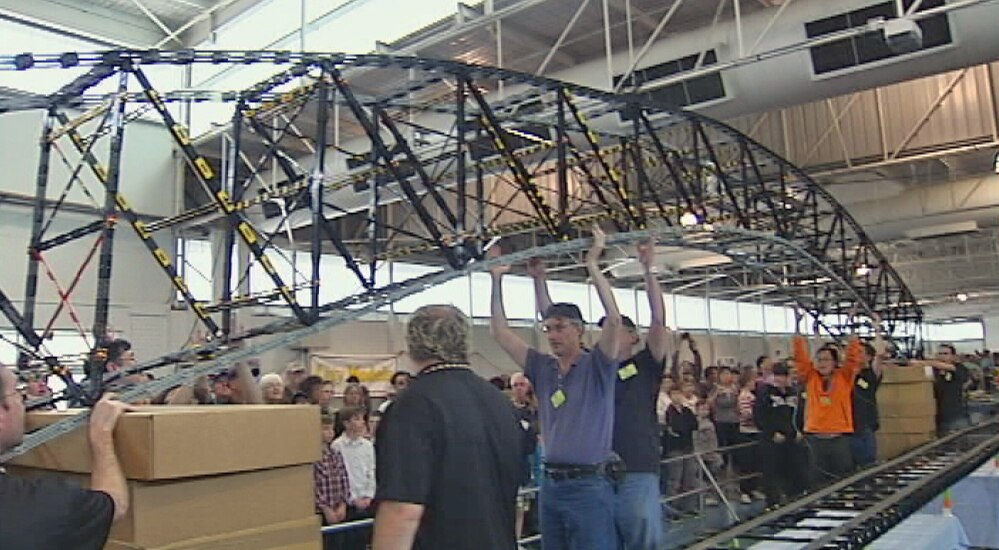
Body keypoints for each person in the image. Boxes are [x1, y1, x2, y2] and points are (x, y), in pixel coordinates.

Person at [527, 239, 670, 550]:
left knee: (642, 538)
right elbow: (553, 320)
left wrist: (648, 270)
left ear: (633, 337)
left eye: (616, 327)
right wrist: (539, 280)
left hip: (636, 467)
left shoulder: (645, 365)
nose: (609, 331)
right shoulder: (592, 367)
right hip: (596, 472)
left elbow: (658, 321)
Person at [489, 226, 623, 550]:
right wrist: (496, 280)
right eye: (547, 329)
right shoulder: (542, 367)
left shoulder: (598, 366)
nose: (552, 334)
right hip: (551, 484)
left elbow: (614, 321)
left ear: (579, 330)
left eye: (560, 328)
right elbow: (499, 332)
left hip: (589, 485)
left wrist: (593, 265)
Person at [372, 305, 522, 549]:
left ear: (413, 343)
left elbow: (402, 509)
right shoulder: (499, 401)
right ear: (465, 342)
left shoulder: (412, 405)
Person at [0, 364, 131, 550]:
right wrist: (101, 435)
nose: (25, 404)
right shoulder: (44, 505)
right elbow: (114, 504)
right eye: (18, 395)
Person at [794, 335, 864, 487]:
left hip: (839, 438)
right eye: (819, 359)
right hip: (815, 438)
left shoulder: (844, 377)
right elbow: (800, 359)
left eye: (826, 359)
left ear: (835, 362)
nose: (822, 363)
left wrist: (853, 340)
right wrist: (798, 331)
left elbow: (853, 360)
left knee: (842, 478)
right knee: (816, 479)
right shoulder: (811, 377)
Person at [754, 362, 807, 507]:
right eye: (777, 376)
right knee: (771, 472)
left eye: (783, 376)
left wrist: (800, 431)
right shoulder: (765, 393)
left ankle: (795, 500)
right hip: (772, 440)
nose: (780, 380)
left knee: (793, 470)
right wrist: (771, 432)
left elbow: (800, 414)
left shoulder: (793, 393)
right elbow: (760, 416)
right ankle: (772, 502)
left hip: (792, 439)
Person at [333, 406, 376, 550]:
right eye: (357, 419)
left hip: (367, 501)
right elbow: (341, 476)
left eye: (362, 419)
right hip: (349, 503)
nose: (362, 422)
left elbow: (371, 471)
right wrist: (352, 498)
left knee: (364, 540)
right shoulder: (337, 446)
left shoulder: (368, 446)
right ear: (346, 423)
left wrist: (368, 496)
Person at [910, 344, 970, 434]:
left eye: (945, 353)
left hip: (955, 417)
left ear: (953, 356)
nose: (942, 356)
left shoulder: (959, 368)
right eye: (939, 354)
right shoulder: (932, 371)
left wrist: (921, 362)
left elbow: (949, 367)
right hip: (936, 417)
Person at [510, 372, 540, 539]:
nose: (519, 389)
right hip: (517, 461)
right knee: (518, 505)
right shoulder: (507, 410)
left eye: (522, 385)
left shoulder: (536, 410)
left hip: (535, 460)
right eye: (515, 385)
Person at [315, 412, 351, 550]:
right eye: (325, 429)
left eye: (331, 429)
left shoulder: (335, 454)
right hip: (323, 512)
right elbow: (313, 486)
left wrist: (343, 503)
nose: (330, 433)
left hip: (338, 508)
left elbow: (344, 480)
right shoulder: (312, 458)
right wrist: (325, 508)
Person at [851, 327, 885, 468]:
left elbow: (880, 354)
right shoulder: (847, 374)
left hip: (865, 424)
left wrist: (877, 328)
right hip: (848, 425)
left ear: (869, 357)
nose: (856, 355)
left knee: (868, 462)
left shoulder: (871, 374)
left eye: (860, 353)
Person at [663, 384, 698, 514]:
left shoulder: (687, 411)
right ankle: (673, 508)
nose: (677, 396)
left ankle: (689, 507)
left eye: (679, 393)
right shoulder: (669, 412)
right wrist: (682, 428)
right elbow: (675, 427)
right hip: (675, 448)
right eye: (674, 394)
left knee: (690, 478)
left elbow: (694, 424)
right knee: (674, 479)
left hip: (688, 446)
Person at [736, 367, 763, 504]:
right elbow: (746, 413)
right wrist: (760, 416)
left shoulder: (753, 395)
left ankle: (753, 488)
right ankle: (744, 490)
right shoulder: (744, 396)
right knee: (746, 463)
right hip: (746, 431)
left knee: (755, 462)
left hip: (755, 431)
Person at [708, 366, 740, 469]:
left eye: (728, 374)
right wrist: (717, 394)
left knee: (735, 444)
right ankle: (724, 465)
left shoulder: (735, 387)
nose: (726, 376)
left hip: (734, 419)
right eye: (724, 374)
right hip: (721, 419)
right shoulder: (715, 388)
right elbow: (709, 403)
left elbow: (739, 404)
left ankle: (735, 465)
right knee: (723, 444)